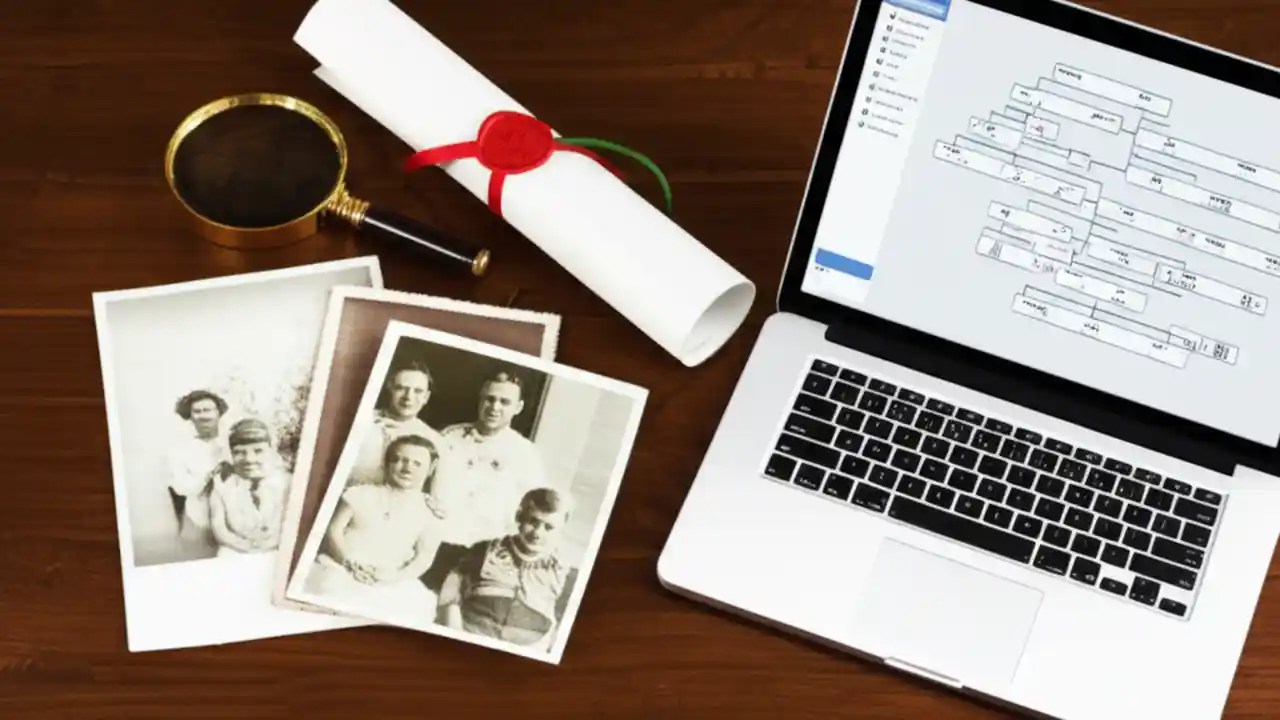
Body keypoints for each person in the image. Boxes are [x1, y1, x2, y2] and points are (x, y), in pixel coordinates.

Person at [305, 435, 445, 627]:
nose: (407, 468)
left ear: (430, 469)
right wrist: (348, 561)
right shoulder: (360, 494)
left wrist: (394, 577)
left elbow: (424, 558)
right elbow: (334, 531)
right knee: (330, 595)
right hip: (341, 567)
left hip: (390, 578)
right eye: (398, 460)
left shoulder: (430, 512)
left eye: (417, 463)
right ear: (387, 463)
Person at [437, 488, 579, 650]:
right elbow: (453, 587)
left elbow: (563, 624)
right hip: (473, 633)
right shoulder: (486, 550)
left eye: (549, 527)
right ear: (520, 517)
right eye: (533, 522)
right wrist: (454, 630)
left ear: (560, 531)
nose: (538, 533)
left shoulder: (562, 571)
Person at [430, 369, 550, 548]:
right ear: (480, 400)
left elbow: (533, 510)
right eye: (490, 399)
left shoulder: (526, 453)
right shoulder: (449, 436)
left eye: (504, 402)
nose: (495, 407)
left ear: (518, 408)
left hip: (485, 549)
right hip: (435, 538)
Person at [348, 360, 444, 487]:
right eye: (401, 388)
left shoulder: (434, 440)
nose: (408, 397)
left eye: (418, 391)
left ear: (426, 397)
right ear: (390, 388)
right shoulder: (361, 420)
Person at [209, 418, 290, 556]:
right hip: (235, 552)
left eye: (258, 451)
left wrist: (269, 545)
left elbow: (292, 528)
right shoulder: (222, 487)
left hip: (280, 552)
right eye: (239, 452)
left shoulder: (289, 483)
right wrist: (246, 547)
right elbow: (220, 529)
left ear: (272, 450)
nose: (249, 459)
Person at [165, 389, 228, 558]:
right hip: (199, 522)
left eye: (208, 410)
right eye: (197, 411)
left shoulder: (230, 444)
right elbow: (181, 488)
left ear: (218, 413)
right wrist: (210, 475)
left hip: (233, 520)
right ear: (190, 416)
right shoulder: (179, 450)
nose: (203, 416)